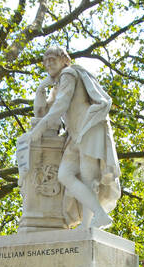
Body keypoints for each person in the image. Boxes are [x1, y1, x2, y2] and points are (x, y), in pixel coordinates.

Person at [23, 48, 121, 230]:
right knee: (65, 175)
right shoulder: (59, 83)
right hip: (75, 135)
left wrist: (40, 128)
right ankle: (98, 216)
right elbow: (42, 111)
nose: (48, 64)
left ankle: (89, 224)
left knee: (87, 178)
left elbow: (61, 105)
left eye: (52, 59)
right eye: (45, 61)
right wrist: (40, 89)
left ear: (63, 60)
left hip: (88, 128)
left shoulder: (69, 74)